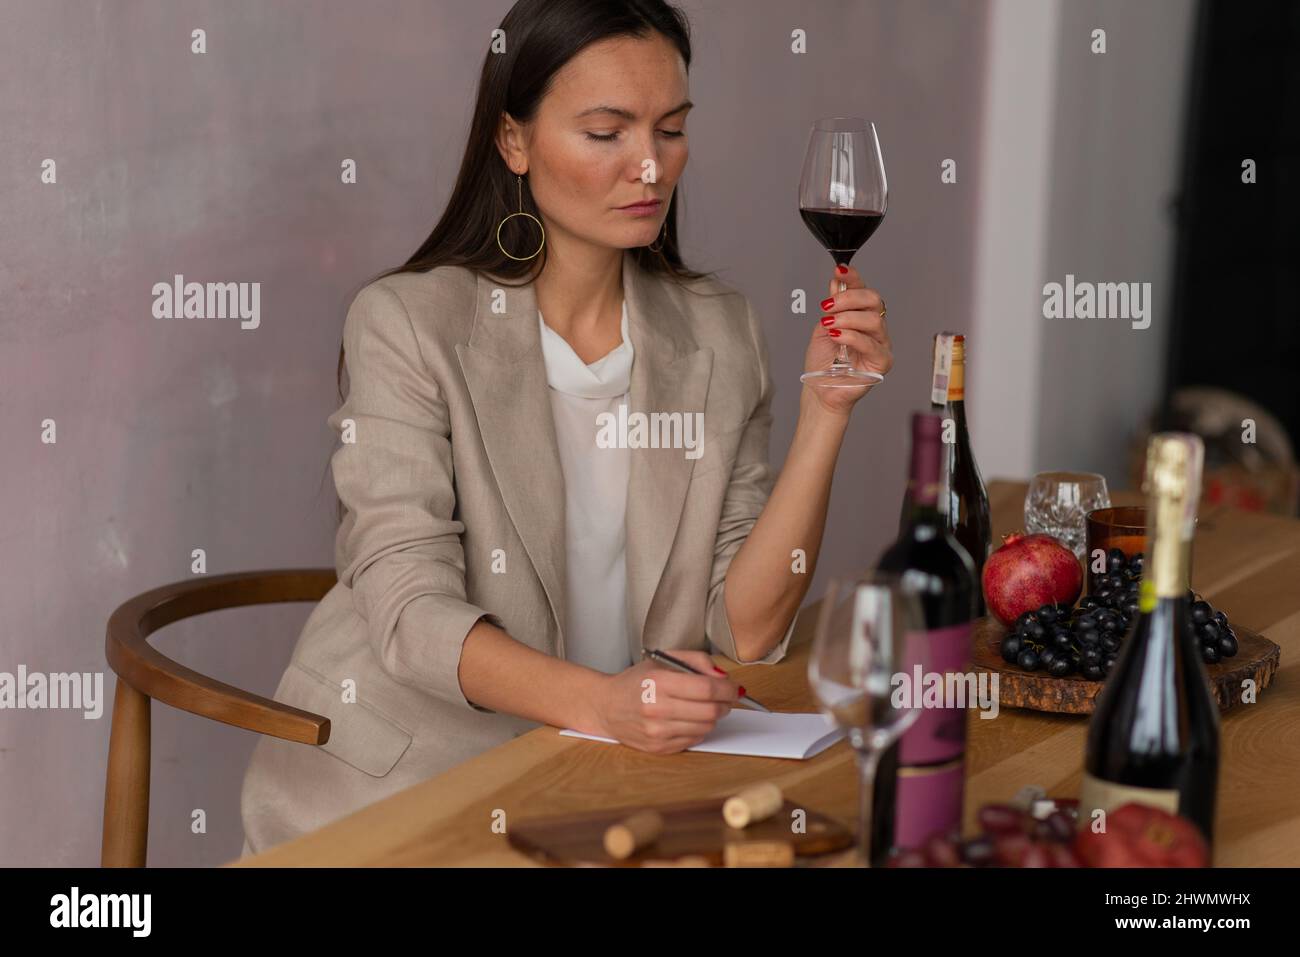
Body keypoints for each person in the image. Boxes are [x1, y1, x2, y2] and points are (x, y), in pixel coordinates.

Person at [239, 0, 892, 857]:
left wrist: (825, 414)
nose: (650, 168)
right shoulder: (407, 322)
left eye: (670, 130)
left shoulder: (718, 332)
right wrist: (602, 701)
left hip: (607, 786)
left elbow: (749, 630)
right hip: (407, 790)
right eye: (606, 133)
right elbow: (408, 607)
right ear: (515, 142)